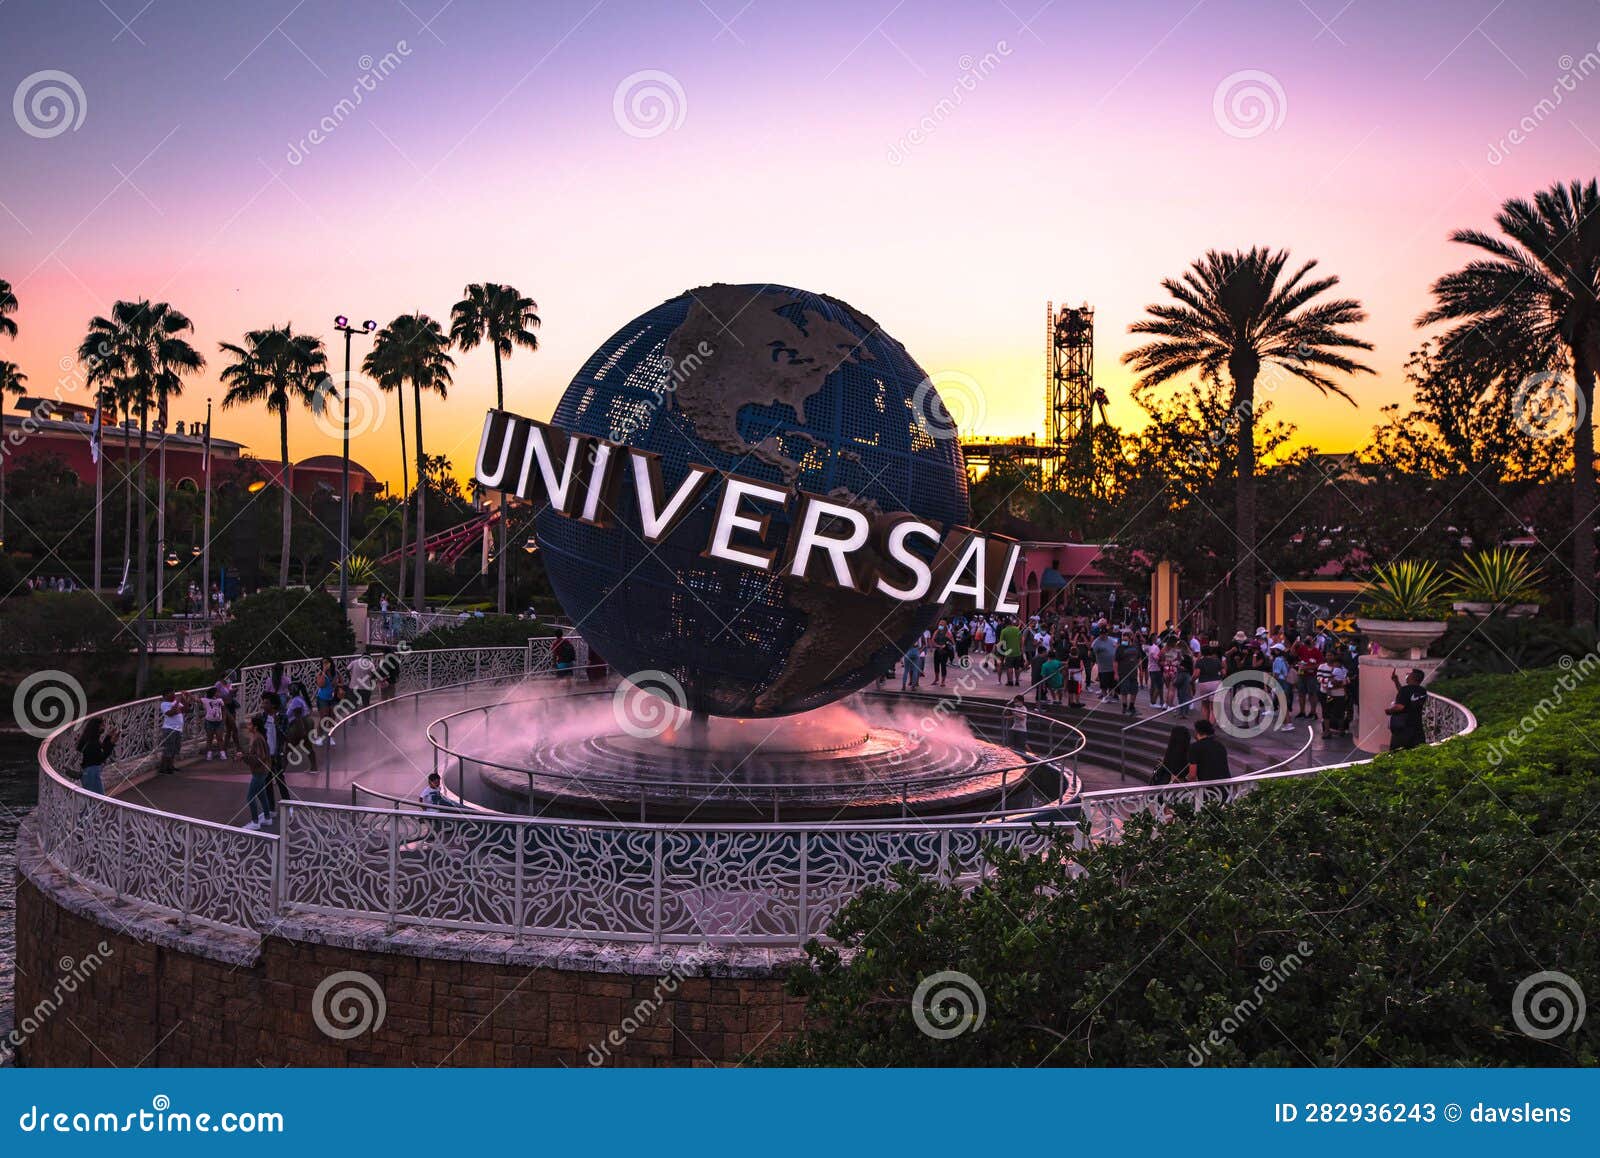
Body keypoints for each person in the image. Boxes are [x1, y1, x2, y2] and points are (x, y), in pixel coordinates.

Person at [241, 713, 273, 831]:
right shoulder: (258, 737)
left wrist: (244, 757)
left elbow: (259, 758)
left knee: (250, 797)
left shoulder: (257, 739)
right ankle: (267, 817)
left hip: (259, 772)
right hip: (262, 771)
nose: (248, 726)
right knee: (261, 794)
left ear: (255, 727)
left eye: (250, 724)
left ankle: (255, 822)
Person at [1386, 668, 1429, 750]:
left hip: (1403, 729)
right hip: (1417, 728)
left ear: (1412, 677)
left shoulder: (1405, 690)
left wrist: (1389, 711)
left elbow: (1400, 707)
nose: (1407, 676)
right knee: (1417, 751)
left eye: (1409, 675)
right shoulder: (1422, 691)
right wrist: (1396, 681)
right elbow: (1406, 695)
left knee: (1396, 753)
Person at [76, 718, 118, 794]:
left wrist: (108, 738)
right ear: (96, 727)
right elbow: (101, 758)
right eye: (102, 726)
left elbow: (99, 751)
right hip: (91, 773)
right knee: (98, 798)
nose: (104, 727)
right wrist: (111, 743)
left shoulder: (89, 739)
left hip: (87, 773)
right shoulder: (92, 742)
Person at [1188, 718, 1232, 785]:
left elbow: (1192, 775)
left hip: (1207, 788)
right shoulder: (1220, 745)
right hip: (1224, 786)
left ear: (1197, 731)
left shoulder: (1195, 747)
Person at [157, 690, 187, 774]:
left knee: (174, 749)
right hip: (169, 728)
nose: (174, 695)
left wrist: (184, 699)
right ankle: (163, 768)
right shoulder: (164, 704)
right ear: (166, 695)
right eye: (172, 694)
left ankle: (171, 766)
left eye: (174, 694)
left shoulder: (174, 702)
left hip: (178, 729)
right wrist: (177, 702)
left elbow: (185, 709)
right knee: (168, 749)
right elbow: (170, 713)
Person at [1193, 646, 1223, 725]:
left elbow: (1196, 674)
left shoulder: (1200, 661)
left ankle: (1205, 724)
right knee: (1214, 707)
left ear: (1202, 652)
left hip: (1204, 683)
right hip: (1216, 683)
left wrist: (1191, 681)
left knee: (1205, 705)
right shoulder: (1217, 661)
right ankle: (1211, 725)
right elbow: (1223, 672)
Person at [1114, 633, 1143, 715]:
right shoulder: (1120, 648)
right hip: (1123, 673)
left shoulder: (1136, 647)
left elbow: (1139, 658)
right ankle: (1124, 706)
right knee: (1124, 690)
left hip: (1133, 673)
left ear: (1130, 639)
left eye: (1126, 640)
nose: (1124, 641)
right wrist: (1115, 673)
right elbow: (1115, 661)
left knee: (1134, 690)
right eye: (1123, 640)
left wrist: (1141, 670)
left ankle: (1132, 706)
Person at [1090, 629, 1118, 701]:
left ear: (1107, 633)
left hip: (1112, 666)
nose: (1102, 635)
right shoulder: (1097, 642)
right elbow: (1093, 651)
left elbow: (1116, 646)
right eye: (1101, 634)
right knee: (1103, 683)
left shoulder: (1111, 640)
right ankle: (1104, 697)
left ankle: (1111, 695)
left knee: (1112, 682)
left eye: (1104, 634)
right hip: (1103, 666)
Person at [198, 688, 226, 761]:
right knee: (209, 738)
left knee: (219, 737)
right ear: (213, 693)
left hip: (219, 721)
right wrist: (187, 694)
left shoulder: (220, 700)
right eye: (217, 692)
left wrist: (223, 720)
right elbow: (197, 700)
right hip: (209, 721)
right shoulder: (206, 700)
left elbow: (223, 710)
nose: (219, 693)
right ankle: (209, 753)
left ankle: (222, 753)